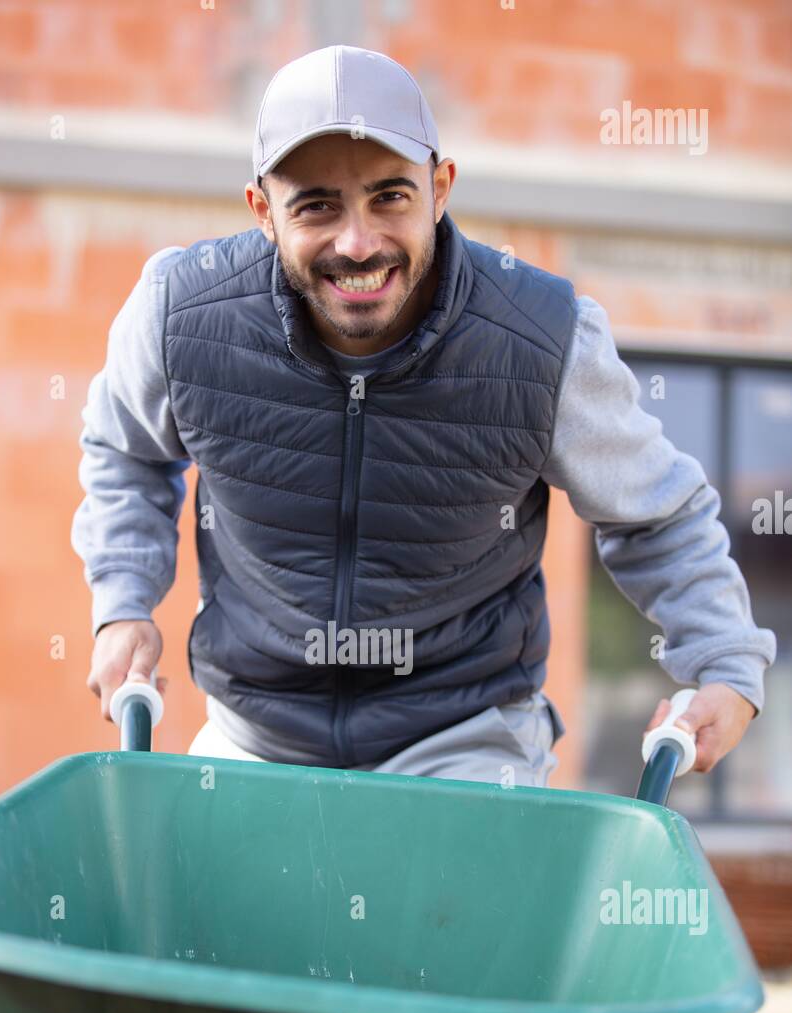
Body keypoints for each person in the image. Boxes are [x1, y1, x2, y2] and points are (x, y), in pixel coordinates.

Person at [71, 45, 776, 790]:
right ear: (262, 212)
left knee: (448, 909)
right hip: (257, 729)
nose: (357, 243)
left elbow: (656, 517)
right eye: (316, 205)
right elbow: (126, 451)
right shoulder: (182, 316)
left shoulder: (542, 341)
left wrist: (725, 664)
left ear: (439, 189)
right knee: (214, 908)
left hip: (465, 733)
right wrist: (123, 600)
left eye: (390, 197)